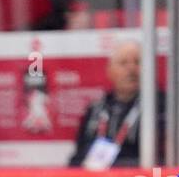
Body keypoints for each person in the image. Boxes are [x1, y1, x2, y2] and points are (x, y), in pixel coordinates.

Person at [68, 40, 163, 169]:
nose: (131, 69)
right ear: (110, 71)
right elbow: (77, 158)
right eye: (123, 63)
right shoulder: (95, 109)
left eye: (137, 62)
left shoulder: (160, 107)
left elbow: (164, 158)